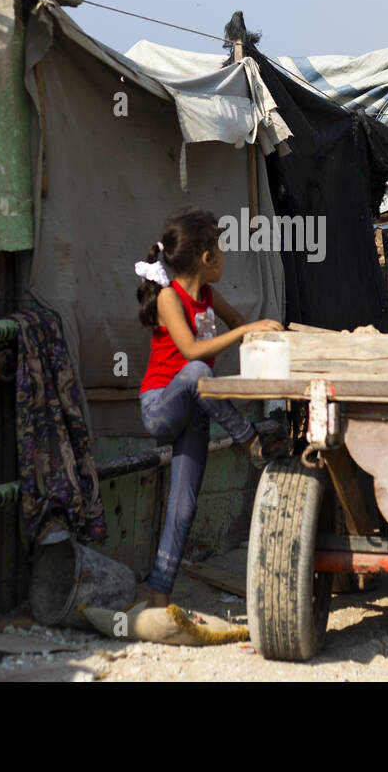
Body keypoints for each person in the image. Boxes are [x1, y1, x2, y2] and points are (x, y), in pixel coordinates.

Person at [136, 207, 290, 607]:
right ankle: (247, 439)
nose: (224, 257)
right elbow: (190, 350)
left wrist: (267, 337)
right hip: (162, 406)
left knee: (184, 506)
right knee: (194, 371)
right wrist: (243, 329)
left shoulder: (207, 295)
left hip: (198, 407)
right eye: (221, 249)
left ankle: (158, 599)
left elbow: (241, 324)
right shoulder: (171, 297)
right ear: (206, 258)